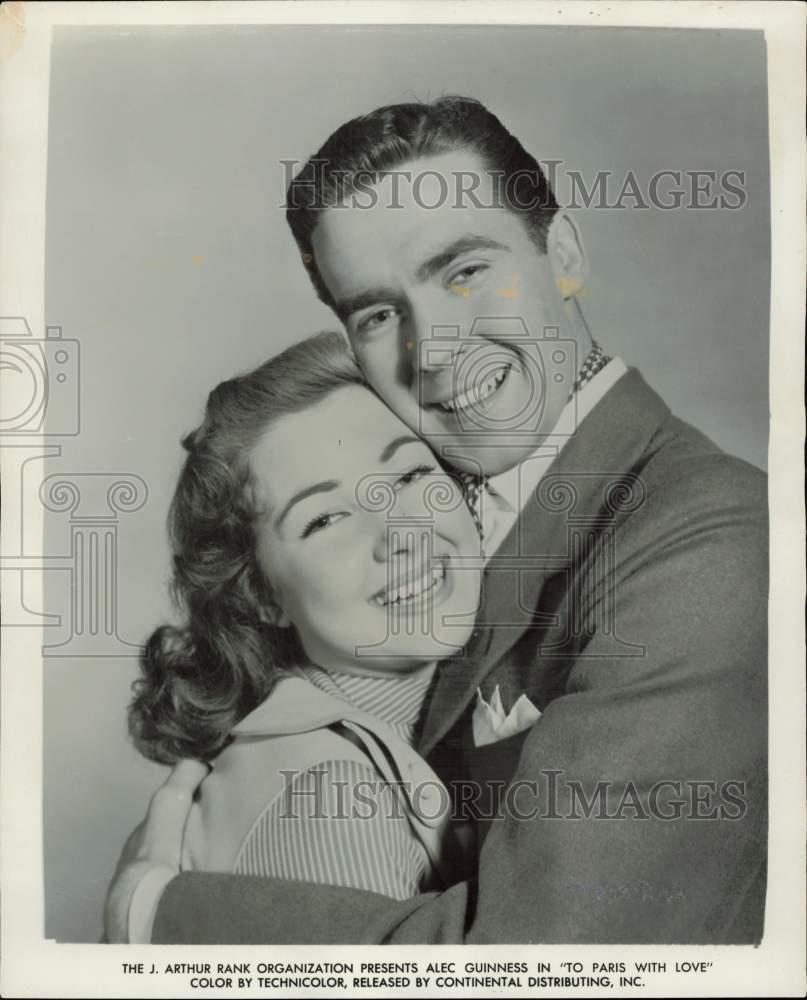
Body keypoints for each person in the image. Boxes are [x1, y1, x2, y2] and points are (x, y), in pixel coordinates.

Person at [107, 96, 767, 944]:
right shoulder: (436, 489)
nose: (437, 349)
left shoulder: (709, 542)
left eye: (463, 272)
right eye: (377, 314)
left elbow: (546, 963)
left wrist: (159, 911)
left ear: (561, 252)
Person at [106, 330, 483, 943]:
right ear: (259, 592)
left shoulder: (370, 734)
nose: (402, 535)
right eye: (325, 519)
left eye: (411, 476)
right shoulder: (330, 793)